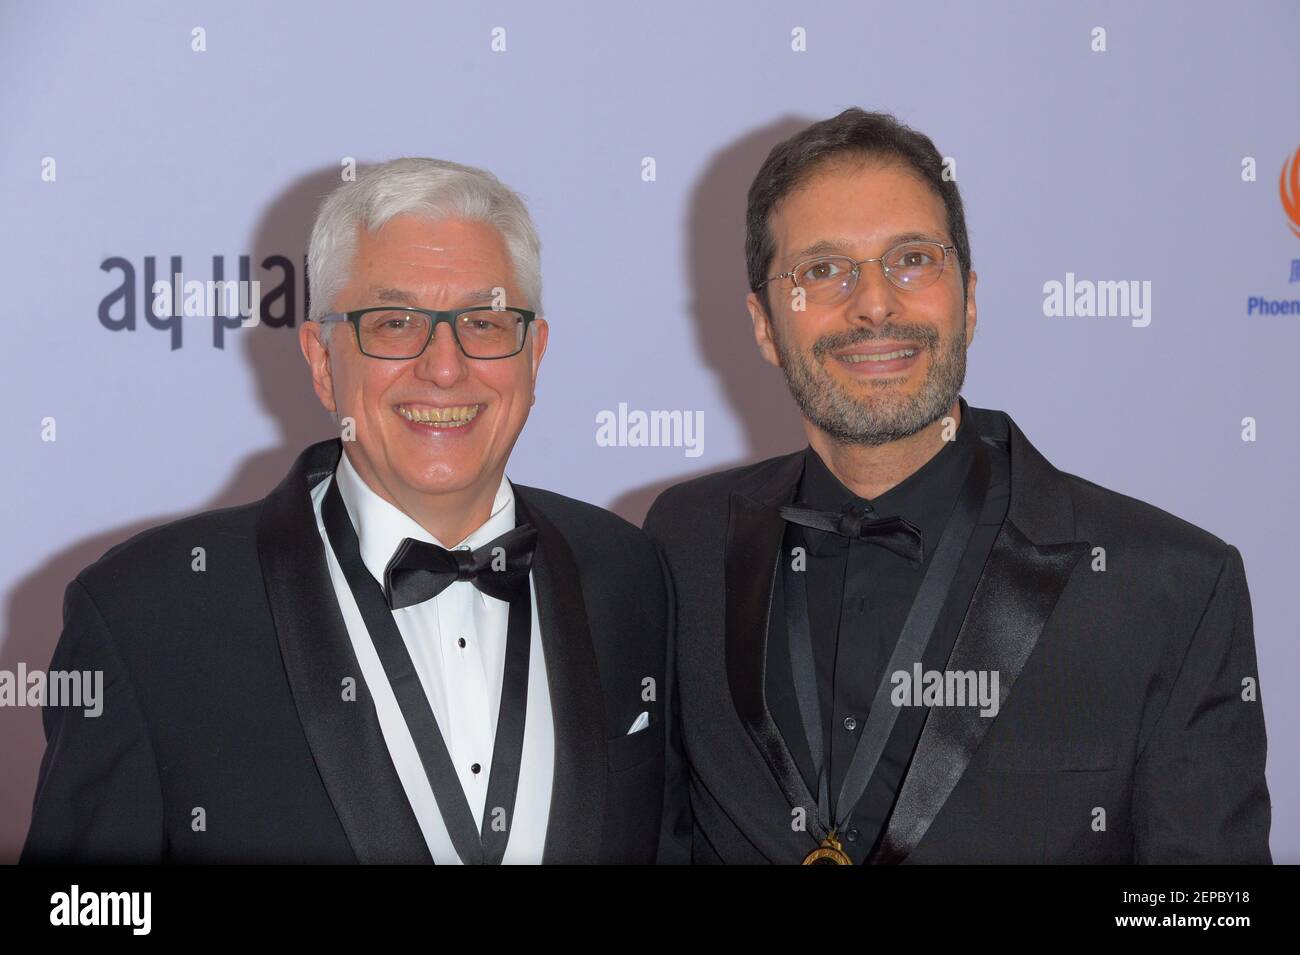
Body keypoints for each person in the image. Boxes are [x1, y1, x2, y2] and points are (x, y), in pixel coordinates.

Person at [643, 108, 1271, 864]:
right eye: (822, 270)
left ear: (969, 300)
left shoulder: (1168, 587)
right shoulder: (685, 543)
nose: (874, 303)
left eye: (911, 259)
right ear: (766, 325)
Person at [23, 158, 688, 864]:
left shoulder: (628, 575)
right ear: (320, 358)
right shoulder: (147, 614)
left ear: (534, 354)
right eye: (395, 322)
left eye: (485, 322)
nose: (443, 366)